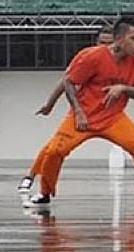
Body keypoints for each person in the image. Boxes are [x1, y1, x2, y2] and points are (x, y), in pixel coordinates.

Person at [25, 16, 134, 209]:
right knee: (54, 151)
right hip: (83, 117)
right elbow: (69, 81)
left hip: (114, 118)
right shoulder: (92, 56)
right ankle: (44, 194)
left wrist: (122, 88)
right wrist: (78, 111)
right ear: (119, 38)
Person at [16, 26, 116, 196]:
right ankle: (31, 176)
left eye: (109, 43)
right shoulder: (88, 57)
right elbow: (66, 80)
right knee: (54, 146)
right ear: (95, 42)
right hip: (83, 112)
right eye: (101, 42)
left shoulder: (123, 58)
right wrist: (50, 104)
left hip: (109, 114)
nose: (104, 47)